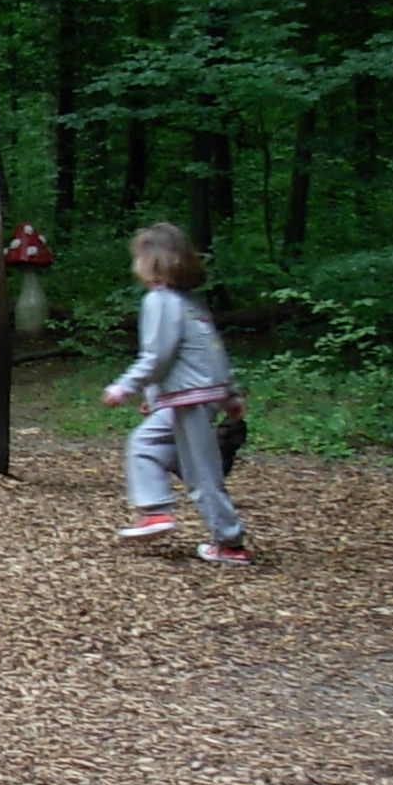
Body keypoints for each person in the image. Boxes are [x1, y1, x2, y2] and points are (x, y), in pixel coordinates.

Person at [102, 219, 249, 564]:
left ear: (152, 261)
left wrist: (125, 386)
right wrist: (229, 395)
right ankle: (156, 509)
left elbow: (158, 356)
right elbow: (209, 355)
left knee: (201, 472)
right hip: (199, 395)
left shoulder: (160, 301)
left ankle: (228, 541)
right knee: (148, 444)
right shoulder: (191, 304)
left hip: (190, 399)